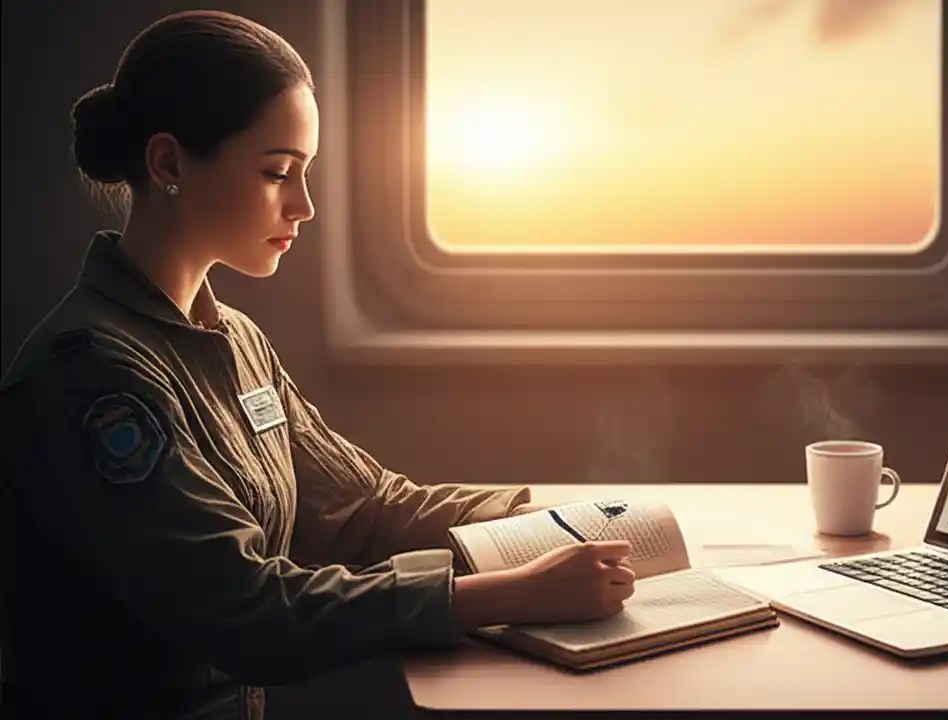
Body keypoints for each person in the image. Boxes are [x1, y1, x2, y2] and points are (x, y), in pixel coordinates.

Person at [0, 10, 634, 719]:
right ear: (169, 164)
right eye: (278, 172)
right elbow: (250, 614)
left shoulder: (234, 338)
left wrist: (549, 515)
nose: (303, 206)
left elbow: (365, 508)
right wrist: (505, 593)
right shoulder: (94, 379)